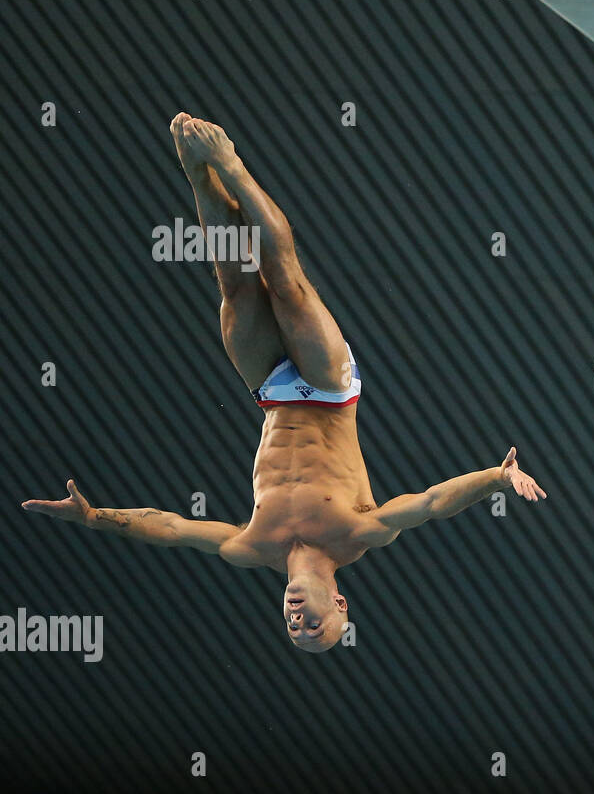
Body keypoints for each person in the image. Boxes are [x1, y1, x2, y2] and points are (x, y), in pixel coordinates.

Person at [22, 114, 547, 653]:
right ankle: (231, 166)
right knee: (287, 285)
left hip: (272, 394)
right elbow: (433, 503)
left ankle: (198, 175)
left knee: (236, 288)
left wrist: (93, 518)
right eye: (314, 626)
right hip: (331, 391)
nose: (298, 621)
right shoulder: (358, 533)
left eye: (292, 630)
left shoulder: (251, 547)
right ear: (340, 604)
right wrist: (495, 478)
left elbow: (172, 528)